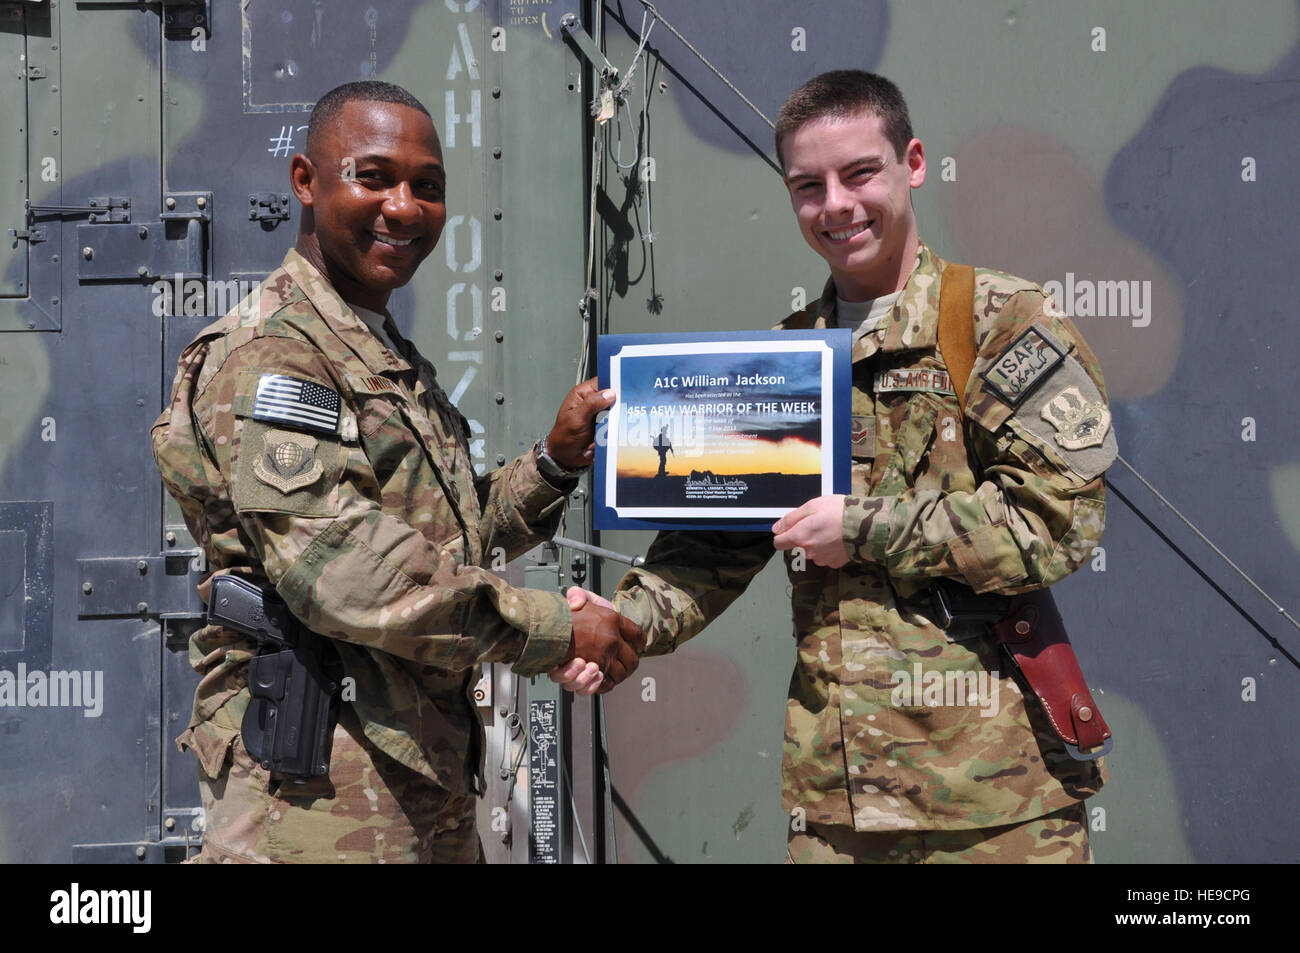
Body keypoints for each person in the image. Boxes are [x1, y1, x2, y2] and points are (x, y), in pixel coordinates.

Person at [555, 70, 1117, 863]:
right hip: (838, 813)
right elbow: (713, 547)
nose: (837, 206)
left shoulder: (1000, 322)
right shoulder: (780, 359)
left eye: (860, 173)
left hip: (998, 806)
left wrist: (861, 526)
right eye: (808, 186)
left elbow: (1055, 524)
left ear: (912, 163)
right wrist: (623, 626)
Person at [152, 80, 644, 864]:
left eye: (429, 187)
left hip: (415, 790)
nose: (405, 207)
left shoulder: (373, 351)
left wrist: (553, 463)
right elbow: (343, 572)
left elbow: (446, 541)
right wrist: (555, 628)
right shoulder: (276, 355)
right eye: (373, 176)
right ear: (306, 181)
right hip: (316, 813)